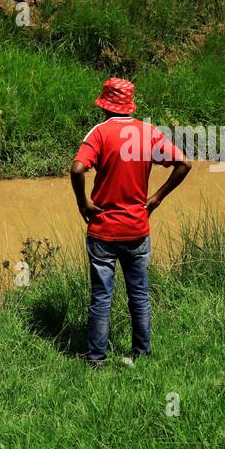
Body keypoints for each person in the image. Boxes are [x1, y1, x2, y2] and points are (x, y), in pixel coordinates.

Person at [70, 78, 191, 368]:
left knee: (101, 296)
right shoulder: (147, 133)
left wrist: (83, 203)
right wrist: (157, 198)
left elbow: (77, 169)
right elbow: (184, 163)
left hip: (103, 229)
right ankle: (142, 354)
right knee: (139, 294)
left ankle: (96, 359)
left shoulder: (99, 133)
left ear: (104, 105)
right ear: (129, 105)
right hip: (137, 229)